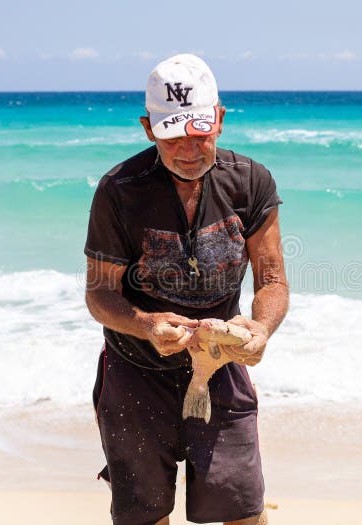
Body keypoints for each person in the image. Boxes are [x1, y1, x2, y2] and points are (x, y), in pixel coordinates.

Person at [84, 53, 288, 525]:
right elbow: (99, 295)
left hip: (220, 368)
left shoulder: (252, 182)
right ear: (148, 128)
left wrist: (260, 329)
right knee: (144, 515)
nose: (189, 149)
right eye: (173, 134)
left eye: (200, 131)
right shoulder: (120, 189)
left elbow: (273, 280)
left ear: (218, 119)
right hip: (135, 371)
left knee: (243, 510)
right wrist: (146, 324)